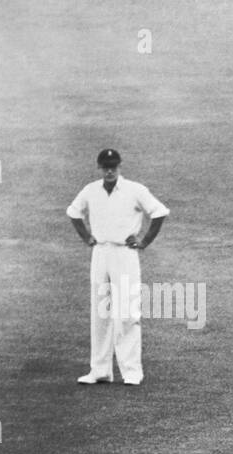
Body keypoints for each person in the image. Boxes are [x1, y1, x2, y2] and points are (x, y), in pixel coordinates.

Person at [66, 148, 170, 386]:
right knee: (101, 313)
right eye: (106, 167)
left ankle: (132, 372)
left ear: (120, 166)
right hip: (101, 252)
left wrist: (143, 241)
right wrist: (86, 237)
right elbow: (73, 212)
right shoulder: (91, 190)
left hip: (125, 253)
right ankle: (100, 370)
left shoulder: (135, 190)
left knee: (127, 313)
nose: (110, 170)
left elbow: (159, 212)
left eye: (114, 166)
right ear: (100, 168)